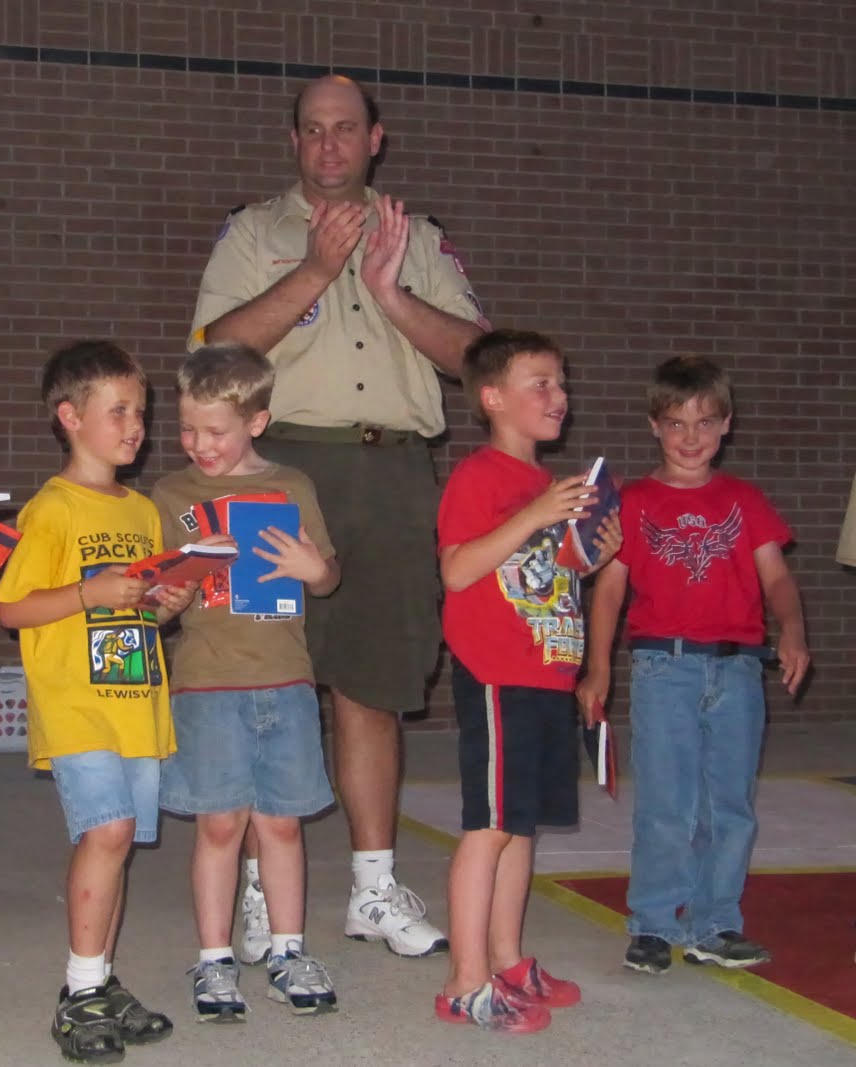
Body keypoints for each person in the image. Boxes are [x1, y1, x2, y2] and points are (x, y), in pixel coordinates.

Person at [189, 74, 488, 958]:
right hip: (275, 469)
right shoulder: (254, 233)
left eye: (345, 129)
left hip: (393, 470)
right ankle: (254, 886)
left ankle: (372, 886)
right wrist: (316, 270)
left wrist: (393, 292)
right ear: (295, 143)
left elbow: (478, 355)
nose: (329, 145)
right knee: (259, 682)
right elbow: (213, 349)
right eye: (313, 130)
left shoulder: (418, 238)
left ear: (375, 139)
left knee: (373, 685)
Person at [0, 340, 195, 1064]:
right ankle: (79, 991)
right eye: (119, 410)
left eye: (141, 411)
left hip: (135, 700)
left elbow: (135, 609)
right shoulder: (51, 509)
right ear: (70, 416)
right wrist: (87, 592)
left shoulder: (142, 511)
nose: (136, 424)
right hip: (77, 702)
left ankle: (101, 979)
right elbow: (12, 606)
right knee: (105, 832)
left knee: (118, 848)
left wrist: (167, 604)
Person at [577, 355, 810, 976]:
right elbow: (607, 591)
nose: (691, 437)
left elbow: (777, 577)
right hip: (664, 669)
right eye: (677, 423)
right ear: (655, 425)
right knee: (666, 802)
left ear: (726, 425)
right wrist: (596, 669)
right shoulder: (633, 501)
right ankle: (654, 922)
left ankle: (715, 922)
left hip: (737, 672)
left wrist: (792, 630)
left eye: (705, 423)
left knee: (729, 805)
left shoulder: (744, 500)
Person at [149, 344, 343, 1022]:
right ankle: (214, 959)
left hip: (285, 677)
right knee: (219, 822)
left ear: (257, 421)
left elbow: (328, 576)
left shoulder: (291, 486)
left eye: (216, 432)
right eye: (187, 430)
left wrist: (309, 566)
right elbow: (158, 596)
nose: (199, 444)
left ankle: (289, 950)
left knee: (282, 822)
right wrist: (168, 595)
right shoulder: (171, 494)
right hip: (205, 680)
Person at [434, 329, 621, 1032]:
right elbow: (458, 569)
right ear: (492, 398)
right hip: (496, 674)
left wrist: (586, 554)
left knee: (522, 827)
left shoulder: (549, 486)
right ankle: (464, 979)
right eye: (539, 382)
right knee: (488, 827)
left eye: (561, 382)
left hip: (546, 670)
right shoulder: (480, 476)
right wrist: (538, 516)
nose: (559, 396)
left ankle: (508, 958)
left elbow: (541, 579)